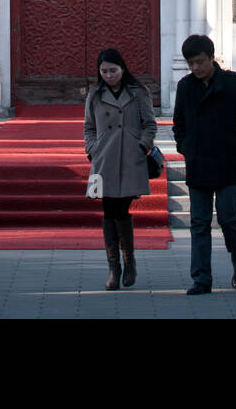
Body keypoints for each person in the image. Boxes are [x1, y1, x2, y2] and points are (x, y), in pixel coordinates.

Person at [172, 34, 236, 295]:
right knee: (199, 222)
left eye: (200, 62)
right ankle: (201, 277)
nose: (195, 68)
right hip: (198, 163)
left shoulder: (232, 84)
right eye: (191, 63)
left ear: (212, 58)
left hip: (225, 162)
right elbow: (179, 125)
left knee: (227, 216)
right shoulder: (186, 87)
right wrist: (186, 148)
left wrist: (235, 147)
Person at [84, 47, 156, 290]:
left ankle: (129, 261)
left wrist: (142, 145)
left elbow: (150, 124)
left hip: (130, 159)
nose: (108, 75)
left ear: (122, 68)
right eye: (103, 71)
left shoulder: (138, 93)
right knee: (108, 210)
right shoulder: (94, 95)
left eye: (113, 70)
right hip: (103, 160)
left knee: (121, 208)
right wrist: (92, 148)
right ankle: (114, 268)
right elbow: (88, 127)